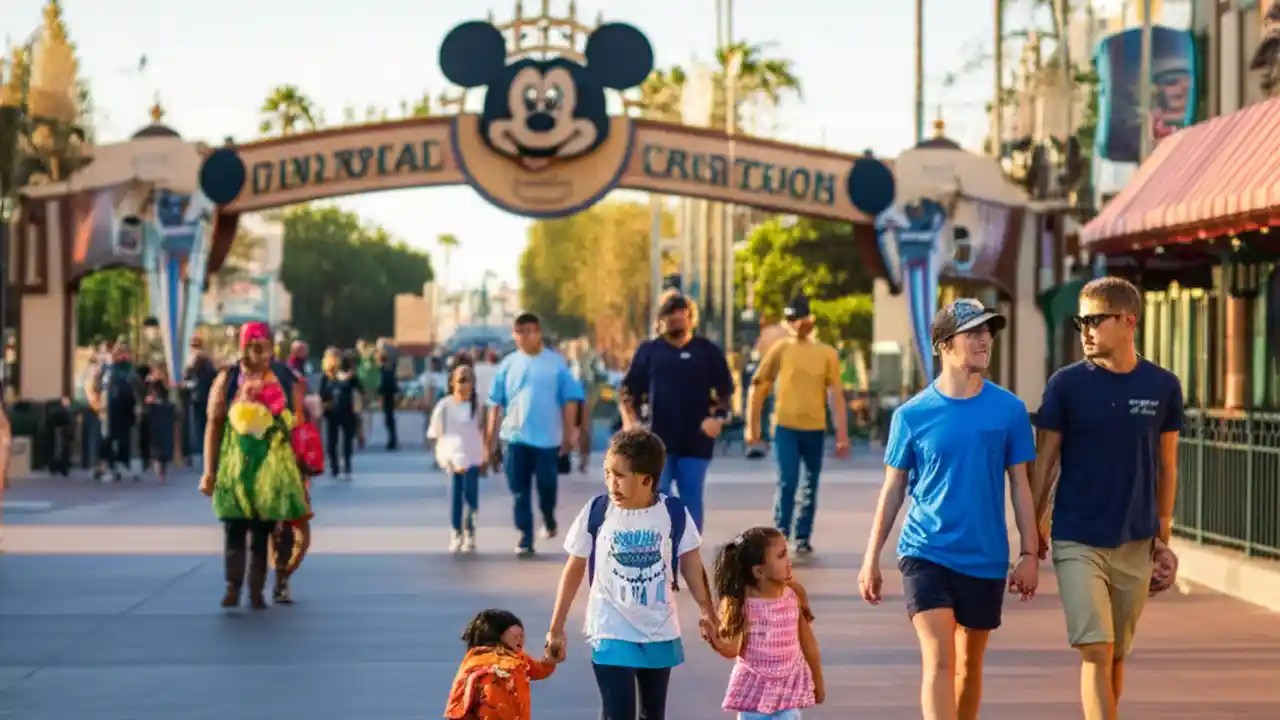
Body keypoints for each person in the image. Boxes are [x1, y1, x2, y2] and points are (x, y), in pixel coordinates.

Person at [857, 298, 1040, 720]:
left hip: (985, 556)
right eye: (973, 332)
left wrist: (1029, 554)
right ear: (943, 345)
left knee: (968, 665)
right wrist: (871, 560)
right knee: (939, 659)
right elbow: (893, 489)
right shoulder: (912, 415)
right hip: (925, 552)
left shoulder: (1009, 410)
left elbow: (1021, 487)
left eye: (987, 331)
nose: (984, 340)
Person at [1030, 277, 1183, 720]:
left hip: (1136, 539)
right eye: (1081, 320)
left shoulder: (1163, 387)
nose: (1085, 330)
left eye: (1095, 320)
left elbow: (1168, 465)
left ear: (1128, 321)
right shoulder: (1066, 385)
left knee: (1116, 653)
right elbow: (1045, 461)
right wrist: (1033, 527)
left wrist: (1163, 535)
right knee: (1095, 649)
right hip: (1077, 536)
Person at [544, 428, 718, 720]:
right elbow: (574, 569)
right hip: (610, 630)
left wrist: (707, 610)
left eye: (620, 476)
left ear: (647, 480)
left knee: (653, 715)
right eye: (607, 473)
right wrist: (556, 627)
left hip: (659, 630)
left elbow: (690, 562)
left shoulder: (672, 513)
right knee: (618, 713)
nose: (612, 483)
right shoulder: (597, 512)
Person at [199, 322, 310, 610]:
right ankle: (234, 585)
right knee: (235, 527)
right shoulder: (229, 378)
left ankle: (261, 587)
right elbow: (214, 423)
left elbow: (299, 421)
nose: (258, 351)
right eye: (253, 344)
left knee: (265, 529)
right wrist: (209, 471)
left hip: (273, 468)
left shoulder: (285, 376)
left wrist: (301, 466)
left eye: (263, 344)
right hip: (236, 467)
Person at [746, 294, 850, 558]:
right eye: (791, 318)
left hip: (814, 428)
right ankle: (780, 534)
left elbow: (836, 395)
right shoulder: (781, 348)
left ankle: (802, 536)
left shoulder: (827, 354)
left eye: (799, 317)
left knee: (810, 484)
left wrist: (842, 435)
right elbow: (759, 385)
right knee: (788, 481)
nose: (796, 323)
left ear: (810, 319)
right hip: (785, 428)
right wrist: (752, 427)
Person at [619, 292, 734, 532]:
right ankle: (662, 551)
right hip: (656, 440)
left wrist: (718, 419)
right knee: (657, 496)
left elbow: (725, 391)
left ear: (691, 318)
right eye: (668, 315)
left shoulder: (707, 351)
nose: (675, 319)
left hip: (697, 441)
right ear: (661, 320)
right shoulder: (649, 351)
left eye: (680, 314)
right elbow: (628, 392)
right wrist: (631, 423)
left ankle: (687, 553)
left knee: (691, 499)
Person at [486, 313, 583, 557]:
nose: (526, 336)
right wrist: (490, 441)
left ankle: (548, 517)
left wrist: (569, 432)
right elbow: (495, 404)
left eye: (531, 331)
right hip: (515, 438)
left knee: (546, 486)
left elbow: (570, 399)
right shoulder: (507, 365)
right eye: (520, 332)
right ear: (514, 335)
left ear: (539, 333)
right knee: (519, 491)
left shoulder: (555, 363)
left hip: (548, 439)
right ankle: (525, 535)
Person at [708, 526, 824, 719]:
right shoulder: (743, 603)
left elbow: (808, 643)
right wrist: (715, 640)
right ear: (759, 571)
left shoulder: (793, 596)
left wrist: (817, 681)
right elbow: (734, 649)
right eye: (781, 556)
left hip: (788, 694)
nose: (789, 562)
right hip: (754, 698)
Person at [444, 609, 558, 720]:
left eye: (522, 636)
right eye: (515, 636)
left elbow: (541, 669)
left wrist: (552, 655)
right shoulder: (490, 667)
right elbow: (492, 705)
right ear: (497, 635)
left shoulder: (518, 659)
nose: (521, 640)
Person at [428, 364, 487, 553]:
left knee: (471, 496)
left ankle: (470, 530)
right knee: (456, 495)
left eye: (467, 379)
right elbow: (437, 432)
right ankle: (456, 531)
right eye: (460, 380)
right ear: (452, 382)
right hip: (453, 458)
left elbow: (485, 430)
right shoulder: (445, 405)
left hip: (473, 456)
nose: (463, 384)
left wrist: (488, 455)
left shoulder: (477, 406)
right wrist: (443, 456)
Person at [87, 341, 144, 484]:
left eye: (126, 352)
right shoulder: (108, 369)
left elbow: (137, 388)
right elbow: (95, 385)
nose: (123, 355)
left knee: (124, 439)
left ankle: (121, 465)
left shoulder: (131, 370)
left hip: (126, 409)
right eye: (121, 352)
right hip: (109, 409)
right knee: (107, 439)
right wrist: (97, 402)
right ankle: (104, 466)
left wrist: (138, 406)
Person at [319, 350, 362, 479]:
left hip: (348, 411)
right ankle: (334, 466)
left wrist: (351, 377)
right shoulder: (325, 377)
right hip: (331, 412)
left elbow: (360, 389)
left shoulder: (350, 374)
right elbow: (322, 394)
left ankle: (347, 464)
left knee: (347, 440)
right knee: (332, 441)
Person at [378, 349, 399, 450]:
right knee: (390, 420)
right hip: (390, 396)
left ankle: (392, 441)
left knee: (389, 420)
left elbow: (381, 387)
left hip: (386, 397)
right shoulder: (390, 370)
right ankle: (392, 440)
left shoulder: (382, 371)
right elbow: (394, 386)